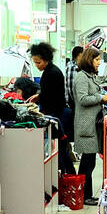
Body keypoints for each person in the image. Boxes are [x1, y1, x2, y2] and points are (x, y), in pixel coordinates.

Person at [71, 47, 107, 205]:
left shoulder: (90, 76)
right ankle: (84, 196)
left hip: (92, 125)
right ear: (89, 60)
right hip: (86, 125)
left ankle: (86, 195)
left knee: (90, 161)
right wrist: (100, 97)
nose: (99, 63)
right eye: (97, 59)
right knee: (87, 162)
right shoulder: (81, 77)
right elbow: (82, 99)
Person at [29, 42, 74, 175]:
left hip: (58, 114)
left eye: (38, 62)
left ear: (46, 59)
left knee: (58, 148)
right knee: (61, 148)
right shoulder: (51, 71)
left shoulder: (52, 73)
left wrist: (41, 103)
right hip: (57, 112)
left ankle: (63, 176)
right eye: (35, 63)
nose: (37, 66)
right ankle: (68, 176)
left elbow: (51, 96)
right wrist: (39, 96)